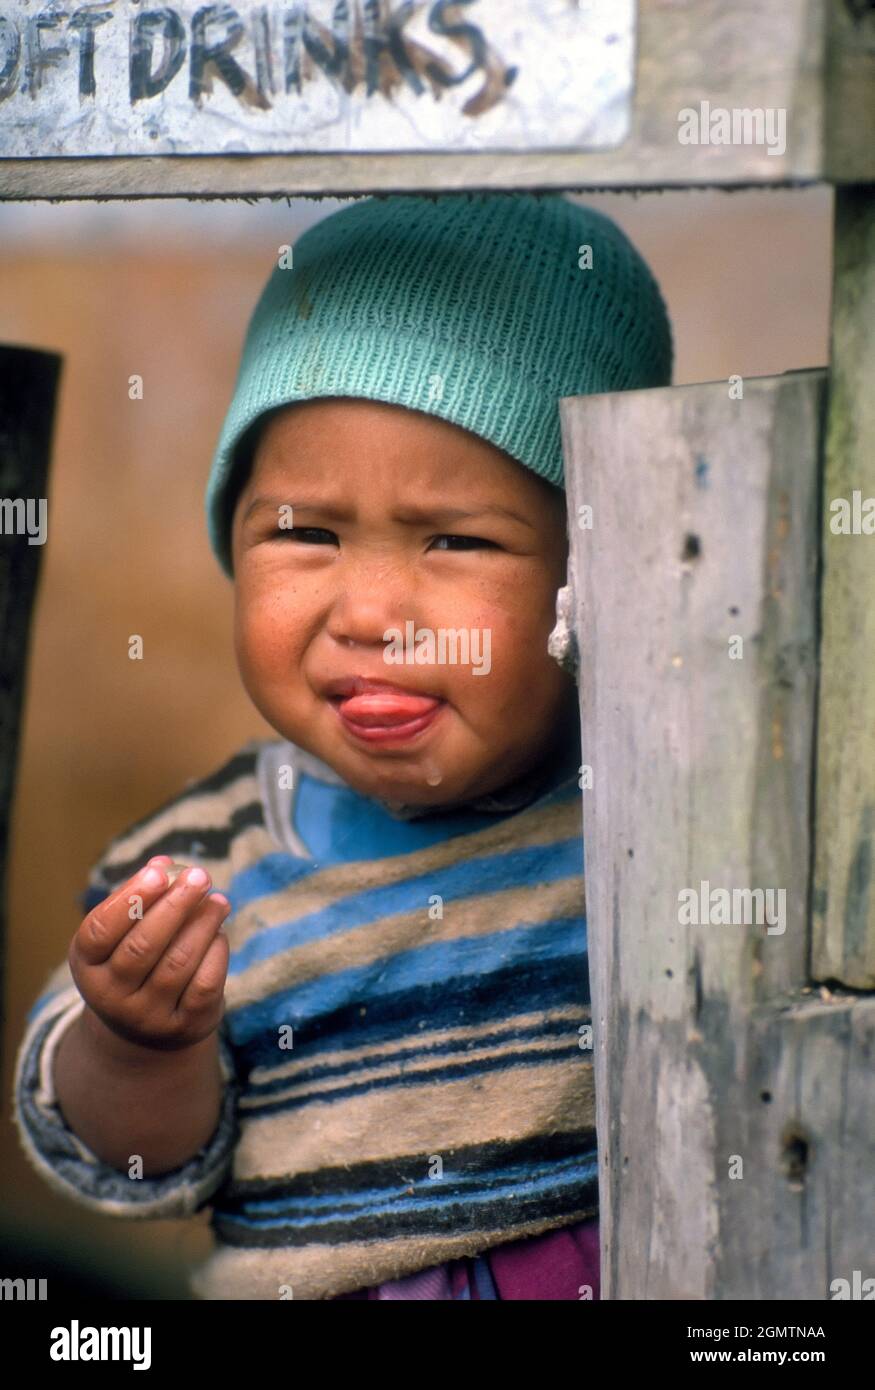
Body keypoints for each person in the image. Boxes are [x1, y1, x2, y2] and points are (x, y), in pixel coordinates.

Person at [13, 193, 672, 1300]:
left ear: (596, 566)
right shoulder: (202, 867)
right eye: (304, 534)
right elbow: (131, 1165)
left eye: (456, 539)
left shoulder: (653, 818)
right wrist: (140, 1046)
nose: (370, 611)